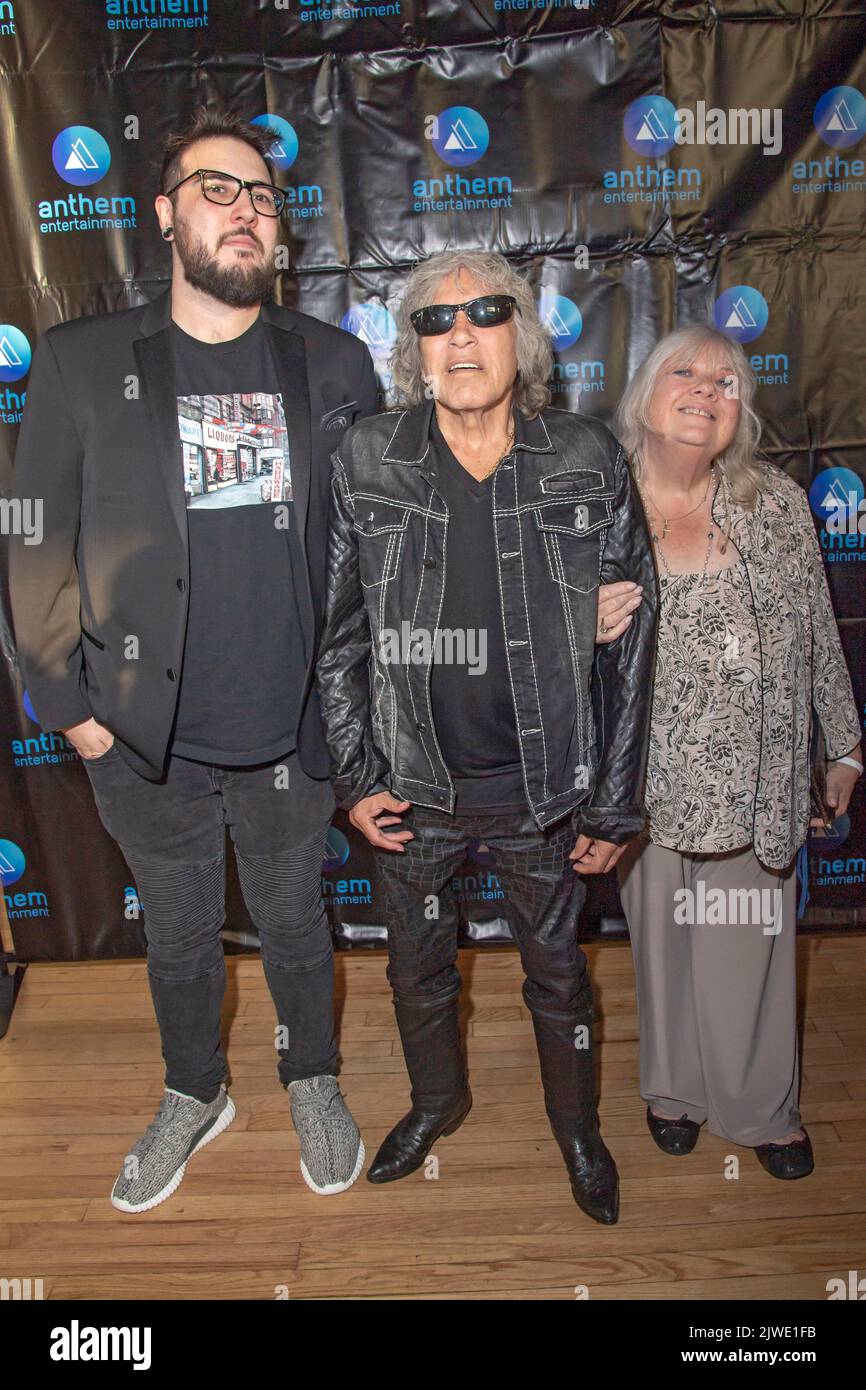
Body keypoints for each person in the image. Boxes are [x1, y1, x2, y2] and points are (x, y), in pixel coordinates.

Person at [9, 106, 380, 1211]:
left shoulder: (336, 361)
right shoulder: (82, 365)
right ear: (164, 215)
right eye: (217, 189)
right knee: (174, 933)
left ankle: (310, 1072)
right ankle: (193, 1089)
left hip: (291, 730)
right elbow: (31, 536)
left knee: (295, 923)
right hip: (140, 735)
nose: (246, 211)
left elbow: (385, 534)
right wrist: (66, 706)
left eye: (261, 196)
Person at [316, 250, 657, 1224]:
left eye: (485, 311)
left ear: (522, 335)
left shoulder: (586, 457)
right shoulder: (366, 458)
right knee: (415, 972)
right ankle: (436, 1102)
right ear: (414, 350)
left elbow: (629, 649)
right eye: (435, 319)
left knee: (559, 980)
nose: (460, 334)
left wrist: (616, 798)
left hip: (542, 790)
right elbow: (338, 632)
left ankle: (576, 1128)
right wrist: (354, 774)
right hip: (413, 790)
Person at [605, 324, 862, 1178]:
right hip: (640, 783)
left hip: (757, 776)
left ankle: (760, 1109)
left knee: (746, 946)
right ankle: (673, 1090)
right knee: (665, 944)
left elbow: (823, 634)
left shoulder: (777, 505)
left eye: (726, 382)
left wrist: (846, 750)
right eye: (686, 373)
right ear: (644, 391)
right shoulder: (595, 510)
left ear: (740, 413)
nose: (706, 392)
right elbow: (536, 649)